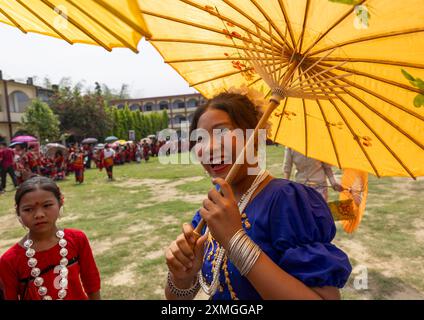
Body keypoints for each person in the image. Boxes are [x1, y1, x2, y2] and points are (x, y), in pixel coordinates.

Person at [164, 92, 351, 300]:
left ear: (255, 137)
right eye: (199, 139)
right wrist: (181, 277)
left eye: (222, 132)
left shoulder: (287, 201)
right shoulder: (214, 207)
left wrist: (235, 241)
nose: (209, 147)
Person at [0, 176, 101, 300]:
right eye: (28, 209)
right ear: (18, 212)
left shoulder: (77, 239)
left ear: (60, 202)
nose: (39, 215)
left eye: (47, 205)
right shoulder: (9, 261)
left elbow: (91, 281)